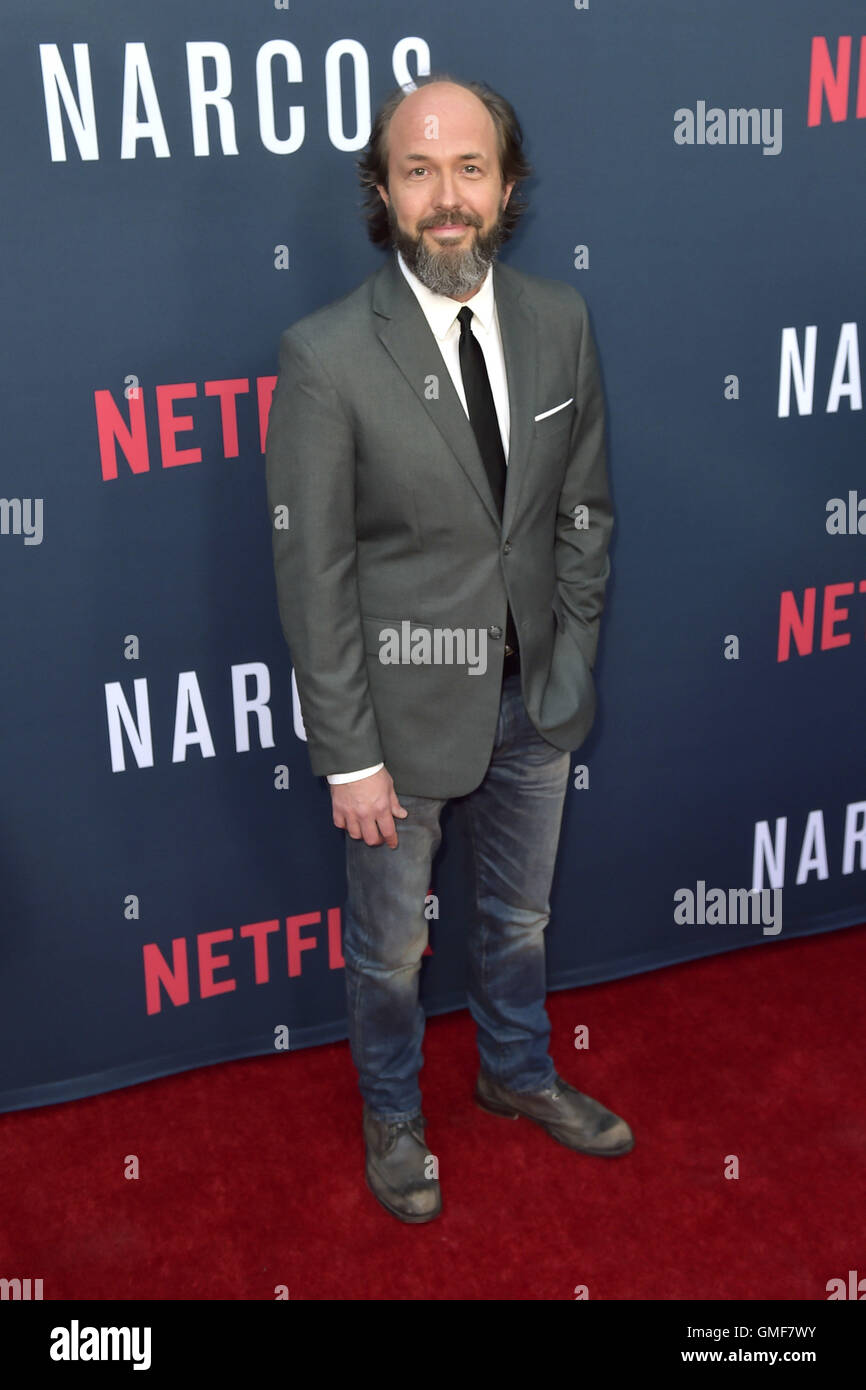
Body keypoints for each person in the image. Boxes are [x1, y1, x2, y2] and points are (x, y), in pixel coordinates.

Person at [265, 73, 633, 1224]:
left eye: (468, 168)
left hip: (536, 702)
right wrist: (347, 754)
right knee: (388, 952)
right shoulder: (325, 353)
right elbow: (311, 570)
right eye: (416, 170)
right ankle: (392, 1109)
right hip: (395, 721)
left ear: (506, 186)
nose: (445, 197)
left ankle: (514, 1070)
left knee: (518, 920)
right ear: (380, 191)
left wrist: (567, 661)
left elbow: (584, 510)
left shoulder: (559, 320)